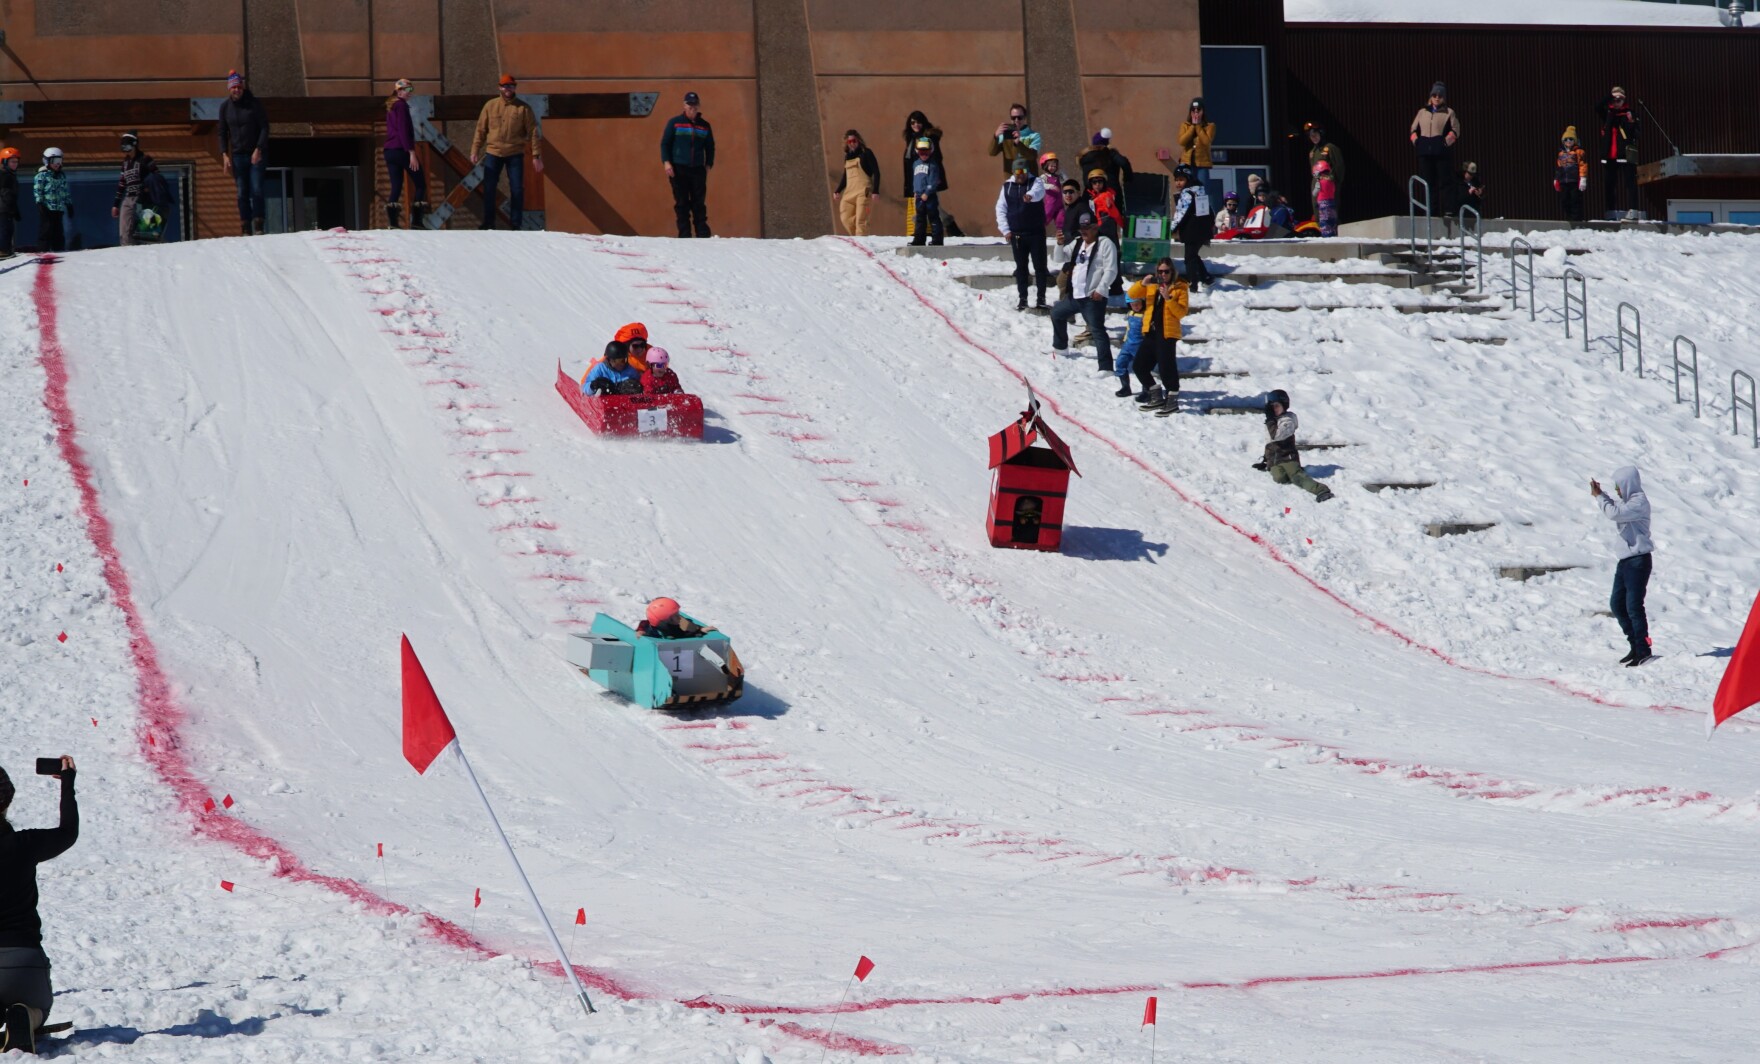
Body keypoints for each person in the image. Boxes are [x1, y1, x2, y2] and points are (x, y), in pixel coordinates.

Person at [0, 756, 78, 1055]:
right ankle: (26, 1016)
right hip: (24, 962)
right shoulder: (24, 844)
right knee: (36, 1007)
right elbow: (67, 833)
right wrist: (67, 785)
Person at [1592, 466, 1653, 666]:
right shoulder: (1628, 501)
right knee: (1617, 605)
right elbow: (1616, 507)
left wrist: (1600, 497)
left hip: (1638, 560)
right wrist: (1601, 494)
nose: (1617, 490)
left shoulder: (1639, 502)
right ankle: (1634, 645)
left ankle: (1643, 649)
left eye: (1619, 486)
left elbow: (1614, 514)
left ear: (1628, 483)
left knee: (1634, 606)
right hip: (1626, 561)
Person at [472, 74, 544, 231]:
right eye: (505, 86)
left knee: (517, 188)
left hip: (515, 153)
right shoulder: (490, 106)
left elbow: (533, 132)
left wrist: (536, 156)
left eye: (511, 86)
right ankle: (488, 222)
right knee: (489, 187)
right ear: (499, 87)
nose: (508, 89)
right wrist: (475, 149)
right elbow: (481, 129)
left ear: (514, 88)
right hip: (493, 152)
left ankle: (516, 224)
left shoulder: (524, 108)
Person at [1050, 211, 1117, 372]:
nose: (1084, 231)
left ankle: (1106, 367)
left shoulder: (1105, 243)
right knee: (1057, 313)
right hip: (1076, 296)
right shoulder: (1078, 243)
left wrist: (1100, 290)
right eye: (1081, 228)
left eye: (1087, 228)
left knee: (1097, 330)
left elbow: (1111, 270)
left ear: (1096, 227)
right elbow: (1059, 258)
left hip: (1093, 297)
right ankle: (1060, 348)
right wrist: (1059, 244)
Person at [1125, 259, 1191, 414]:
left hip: (1167, 333)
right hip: (1151, 331)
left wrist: (1168, 298)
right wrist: (1143, 283)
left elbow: (1181, 313)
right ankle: (1156, 396)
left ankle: (1172, 400)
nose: (1163, 274)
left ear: (1172, 272)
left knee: (1166, 367)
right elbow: (1131, 295)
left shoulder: (1180, 287)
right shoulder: (1152, 286)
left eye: (1166, 271)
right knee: (1139, 366)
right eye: (1160, 271)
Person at [1253, 390, 1333, 502]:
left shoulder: (1287, 421)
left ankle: (1321, 490)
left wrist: (1270, 420)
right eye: (1271, 407)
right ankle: (1288, 472)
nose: (1274, 409)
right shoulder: (1273, 421)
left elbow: (1276, 436)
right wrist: (1266, 462)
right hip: (1276, 461)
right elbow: (1270, 443)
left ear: (1284, 406)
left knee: (1296, 477)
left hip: (1288, 458)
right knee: (1279, 478)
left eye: (1277, 406)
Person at [218, 70, 270, 235]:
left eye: (239, 87)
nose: (237, 90)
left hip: (255, 153)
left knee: (256, 189)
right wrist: (224, 154)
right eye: (234, 87)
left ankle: (259, 223)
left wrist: (259, 148)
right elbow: (222, 132)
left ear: (242, 87)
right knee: (242, 192)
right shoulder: (225, 107)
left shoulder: (253, 104)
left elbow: (264, 127)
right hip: (238, 155)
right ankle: (245, 225)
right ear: (229, 89)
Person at [996, 157, 1048, 311]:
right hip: (1017, 234)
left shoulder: (1035, 182)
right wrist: (1005, 230)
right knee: (1021, 267)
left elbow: (1038, 192)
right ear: (1013, 172)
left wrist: (1030, 196)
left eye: (1023, 171)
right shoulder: (1007, 187)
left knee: (1040, 266)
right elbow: (1001, 209)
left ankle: (1041, 298)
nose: (1021, 175)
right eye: (1017, 172)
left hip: (1035, 232)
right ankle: (1023, 298)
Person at [1409, 82, 1461, 219]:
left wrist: (1445, 142)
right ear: (1431, 96)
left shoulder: (1449, 112)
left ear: (1444, 98)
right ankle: (1432, 211)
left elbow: (1455, 130)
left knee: (1445, 180)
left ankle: (1449, 210)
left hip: (1441, 152)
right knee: (1428, 182)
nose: (1437, 98)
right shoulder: (1422, 112)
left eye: (1440, 96)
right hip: (1425, 152)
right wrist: (1417, 142)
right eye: (1434, 95)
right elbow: (1413, 130)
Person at [384, 78, 423, 230]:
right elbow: (403, 130)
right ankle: (417, 221)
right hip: (401, 150)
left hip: (389, 150)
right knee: (420, 183)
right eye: (407, 90)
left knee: (396, 185)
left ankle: (393, 223)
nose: (410, 93)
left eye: (411, 90)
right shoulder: (401, 106)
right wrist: (411, 152)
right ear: (399, 91)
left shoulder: (391, 106)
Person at [1596, 86, 1640, 220]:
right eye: (1615, 99)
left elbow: (1637, 133)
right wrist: (1609, 96)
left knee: (1630, 182)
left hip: (1625, 154)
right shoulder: (1608, 113)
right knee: (1609, 184)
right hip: (1609, 154)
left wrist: (1631, 122)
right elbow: (1597, 107)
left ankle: (1633, 210)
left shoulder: (1629, 113)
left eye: (1620, 99)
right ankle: (1610, 210)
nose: (1617, 102)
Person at [1169, 165, 1214, 288]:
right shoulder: (1199, 191)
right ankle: (1206, 277)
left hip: (1192, 231)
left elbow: (1181, 214)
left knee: (1189, 258)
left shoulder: (1187, 193)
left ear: (1188, 179)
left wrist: (1171, 228)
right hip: (1202, 230)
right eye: (1176, 180)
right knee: (1193, 255)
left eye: (1181, 180)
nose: (1178, 183)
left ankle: (1192, 283)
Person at [111, 132, 158, 247]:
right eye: (123, 148)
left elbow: (156, 176)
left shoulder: (145, 159)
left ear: (134, 144)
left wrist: (148, 189)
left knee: (144, 230)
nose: (126, 150)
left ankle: (144, 253)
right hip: (128, 198)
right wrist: (116, 204)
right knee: (124, 229)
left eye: (127, 147)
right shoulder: (125, 163)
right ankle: (127, 252)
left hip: (143, 198)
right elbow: (122, 183)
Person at [834, 129, 880, 237]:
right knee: (845, 218)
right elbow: (845, 176)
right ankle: (857, 239)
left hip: (863, 191)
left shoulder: (866, 153)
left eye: (854, 141)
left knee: (861, 220)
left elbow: (876, 172)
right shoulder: (847, 156)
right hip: (849, 192)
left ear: (858, 140)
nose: (852, 143)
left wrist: (876, 190)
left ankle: (861, 242)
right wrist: (838, 190)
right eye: (849, 142)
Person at [1078, 129, 1133, 213]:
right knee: (1113, 218)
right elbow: (1124, 162)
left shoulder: (1085, 157)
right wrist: (1127, 180)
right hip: (1111, 191)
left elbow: (1086, 179)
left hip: (1090, 194)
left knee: (1092, 220)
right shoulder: (1110, 154)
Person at [33, 148, 72, 254]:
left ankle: (59, 250)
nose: (57, 164)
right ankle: (43, 250)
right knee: (46, 229)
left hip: (58, 208)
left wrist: (69, 204)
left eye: (60, 161)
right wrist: (40, 203)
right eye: (54, 161)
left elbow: (64, 191)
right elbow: (38, 190)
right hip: (47, 208)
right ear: (47, 161)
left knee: (58, 230)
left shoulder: (61, 176)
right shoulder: (42, 175)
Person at [909, 137, 945, 247]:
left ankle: (937, 240)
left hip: (929, 197)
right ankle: (919, 240)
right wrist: (915, 191)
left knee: (933, 217)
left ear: (931, 150)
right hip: (919, 196)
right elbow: (916, 179)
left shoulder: (933, 165)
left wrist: (927, 192)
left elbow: (933, 181)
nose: (923, 153)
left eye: (926, 151)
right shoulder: (915, 164)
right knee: (920, 219)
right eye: (921, 151)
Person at [988, 103, 1041, 175]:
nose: (1016, 120)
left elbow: (1032, 156)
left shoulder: (1034, 135)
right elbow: (992, 153)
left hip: (1030, 179)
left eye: (1019, 117)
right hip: (1012, 179)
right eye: (1013, 118)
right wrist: (996, 136)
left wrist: (1018, 143)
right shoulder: (1005, 136)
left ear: (1025, 117)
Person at [1305, 123, 1344, 218]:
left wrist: (1332, 179)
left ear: (1321, 134)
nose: (1313, 138)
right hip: (1316, 184)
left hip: (1328, 185)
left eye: (1315, 135)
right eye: (1311, 136)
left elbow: (1339, 167)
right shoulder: (1312, 152)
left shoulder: (1330, 148)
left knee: (1329, 211)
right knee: (1317, 210)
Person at [1175, 98, 1215, 187]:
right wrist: (1192, 127)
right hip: (1187, 163)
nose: (1196, 112)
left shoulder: (1210, 126)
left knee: (1202, 189)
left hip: (1202, 163)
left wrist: (1198, 126)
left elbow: (1206, 142)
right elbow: (1182, 141)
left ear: (1203, 111)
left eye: (1198, 110)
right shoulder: (1185, 125)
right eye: (1193, 110)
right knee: (1187, 187)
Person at [1114, 290, 1146, 398]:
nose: (1136, 307)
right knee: (1120, 363)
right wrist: (1125, 339)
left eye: (1138, 304)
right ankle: (1125, 387)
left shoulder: (1145, 316)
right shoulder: (1130, 314)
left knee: (1142, 368)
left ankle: (1146, 390)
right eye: (1133, 305)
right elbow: (1128, 328)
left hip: (1140, 346)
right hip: (1128, 345)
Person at [1555, 126, 1588, 225]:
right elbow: (1559, 167)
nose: (1568, 141)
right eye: (1566, 139)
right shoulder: (1561, 154)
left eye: (1571, 139)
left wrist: (1583, 178)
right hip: (1564, 181)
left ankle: (1577, 220)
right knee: (1564, 200)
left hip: (1574, 181)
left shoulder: (1579, 152)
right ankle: (1569, 218)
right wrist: (1556, 179)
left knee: (1575, 200)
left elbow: (1583, 165)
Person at [637, 597, 707, 638]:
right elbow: (644, 625)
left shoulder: (679, 625)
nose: (679, 617)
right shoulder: (653, 631)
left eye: (678, 614)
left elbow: (689, 629)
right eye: (676, 615)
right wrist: (642, 632)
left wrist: (700, 630)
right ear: (665, 621)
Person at [1313, 159, 1339, 236]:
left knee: (1325, 224)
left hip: (1323, 205)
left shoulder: (1320, 183)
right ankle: (1333, 236)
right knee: (1332, 222)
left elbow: (1314, 193)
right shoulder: (1331, 182)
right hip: (1331, 203)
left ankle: (1327, 238)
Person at [0, 148, 18, 260]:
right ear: (4, 162)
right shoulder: (4, 175)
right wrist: (11, 206)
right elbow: (5, 193)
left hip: (7, 207)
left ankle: (6, 250)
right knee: (4, 229)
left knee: (9, 228)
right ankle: (2, 250)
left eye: (16, 161)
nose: (15, 164)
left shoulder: (10, 175)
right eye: (12, 161)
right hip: (3, 208)